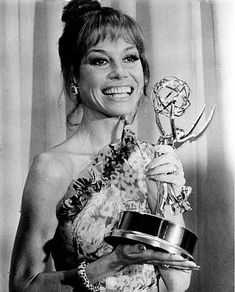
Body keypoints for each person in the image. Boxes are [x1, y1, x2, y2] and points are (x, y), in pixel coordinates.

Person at [9, 1, 198, 291]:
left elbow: (178, 282)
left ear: (143, 74)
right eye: (100, 60)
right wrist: (111, 262)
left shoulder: (154, 159)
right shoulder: (52, 167)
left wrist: (163, 197)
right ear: (74, 76)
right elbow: (23, 286)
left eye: (130, 58)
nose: (119, 73)